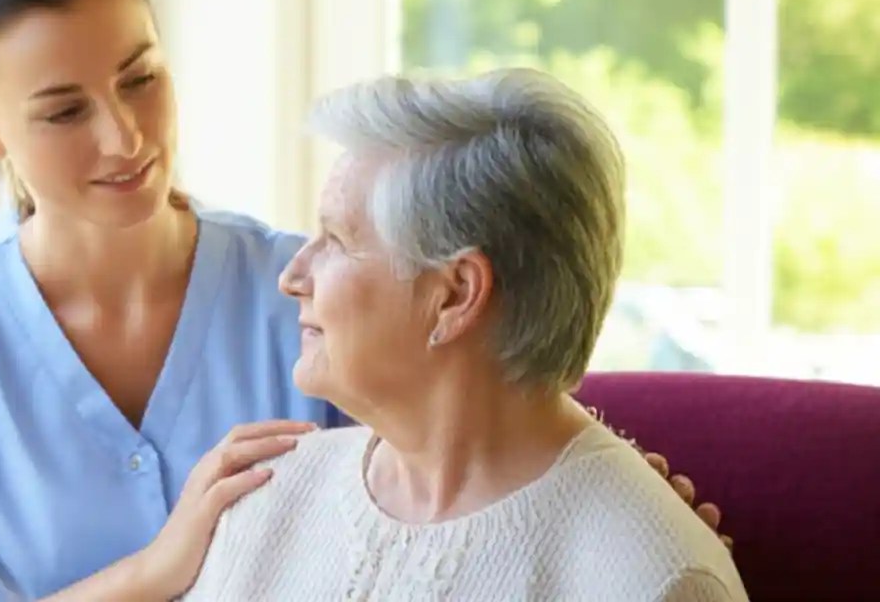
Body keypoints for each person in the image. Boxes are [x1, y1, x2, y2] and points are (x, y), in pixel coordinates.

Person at [0, 0, 729, 601]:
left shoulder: (312, 291)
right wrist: (155, 569)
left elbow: (474, 411)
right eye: (63, 111)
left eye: (141, 77)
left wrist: (601, 506)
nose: (124, 135)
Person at [183, 69, 747, 601]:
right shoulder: (263, 496)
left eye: (335, 239)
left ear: (454, 294)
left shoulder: (650, 576)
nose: (292, 277)